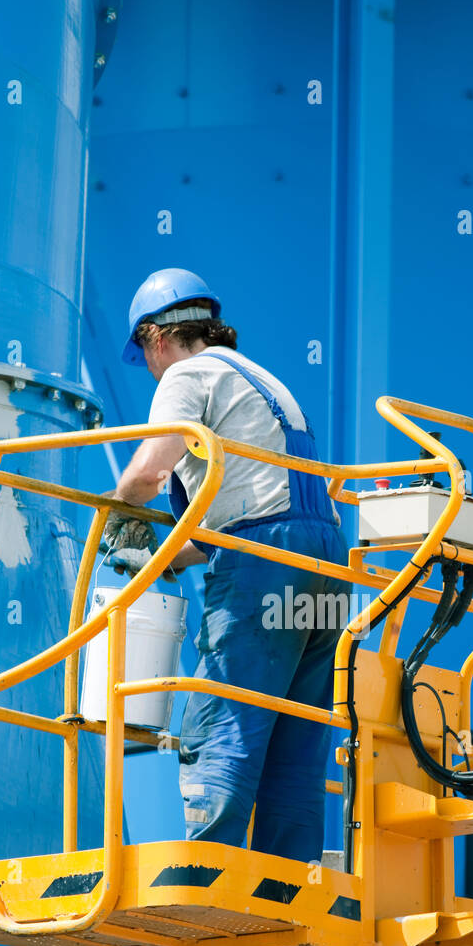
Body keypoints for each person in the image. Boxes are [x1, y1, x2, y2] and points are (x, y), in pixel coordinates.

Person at [102, 267, 350, 865]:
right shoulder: (265, 380)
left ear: (157, 337)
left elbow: (147, 472)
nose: (151, 369)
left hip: (266, 562)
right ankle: (286, 882)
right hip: (328, 567)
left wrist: (115, 514)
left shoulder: (187, 374)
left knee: (228, 720)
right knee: (296, 737)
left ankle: (207, 873)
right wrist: (160, 558)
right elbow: (238, 524)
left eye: (146, 354)